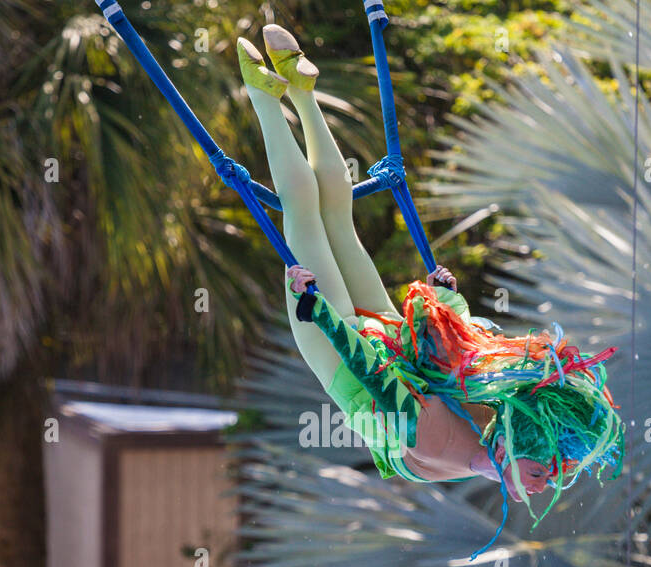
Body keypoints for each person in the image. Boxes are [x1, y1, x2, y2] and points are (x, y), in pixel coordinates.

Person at [239, 25, 623, 520]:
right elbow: (402, 366)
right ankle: (267, 96)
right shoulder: (456, 439)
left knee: (329, 216)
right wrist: (325, 315)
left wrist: (447, 302)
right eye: (552, 466)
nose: (552, 475)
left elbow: (426, 361)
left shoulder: (486, 420)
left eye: (550, 472)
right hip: (353, 348)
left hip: (380, 340)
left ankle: (301, 93)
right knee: (308, 213)